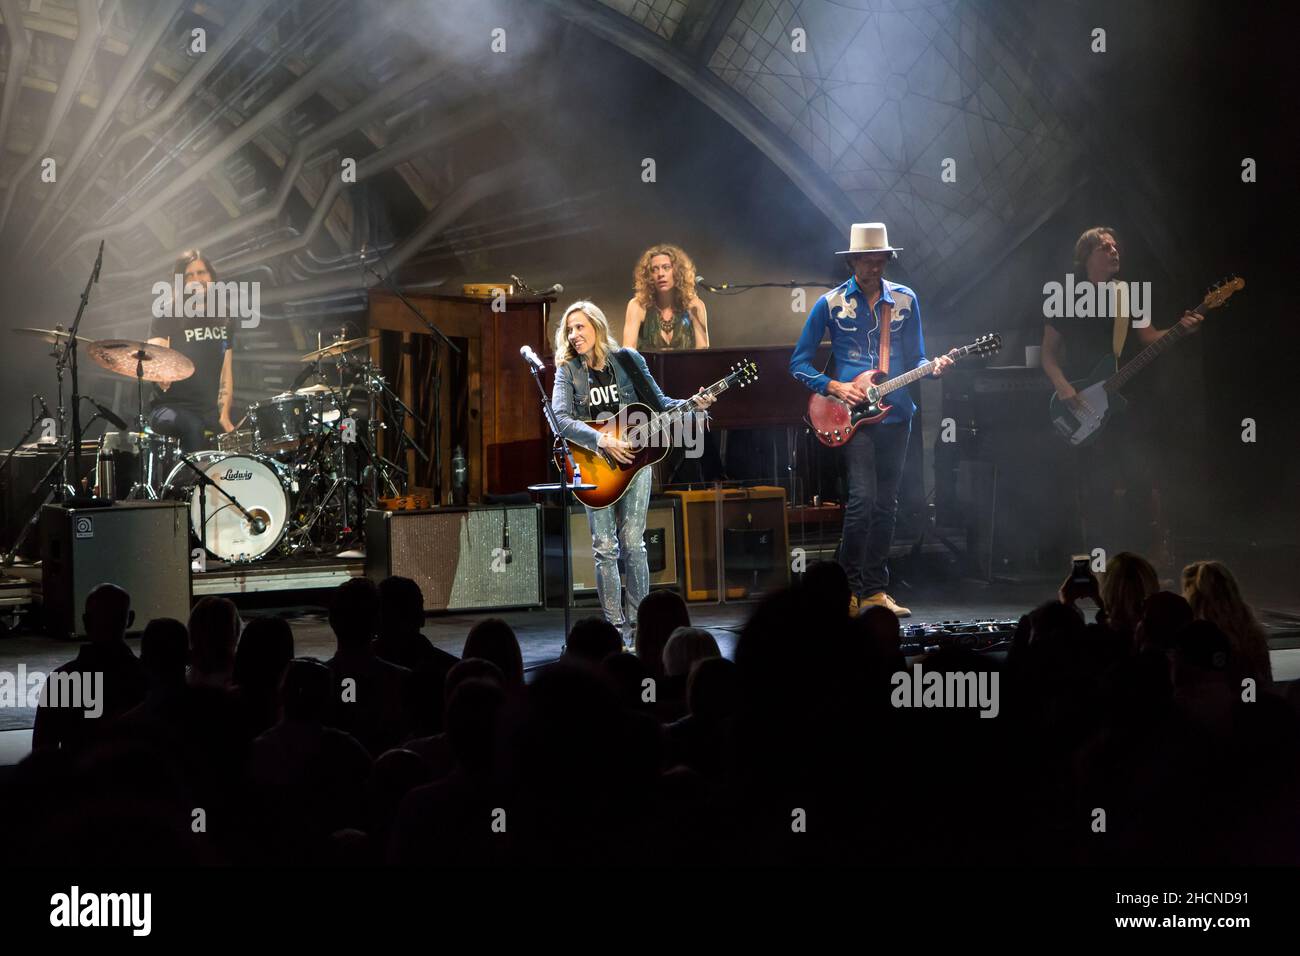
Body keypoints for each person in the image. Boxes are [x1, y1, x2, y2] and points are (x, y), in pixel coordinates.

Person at [790, 223, 953, 618]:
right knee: (862, 501)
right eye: (867, 258)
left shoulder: (905, 300)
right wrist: (834, 386)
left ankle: (875, 592)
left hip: (896, 413)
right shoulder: (829, 304)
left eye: (880, 258)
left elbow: (916, 355)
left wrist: (930, 367)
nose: (874, 265)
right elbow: (798, 363)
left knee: (886, 504)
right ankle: (845, 591)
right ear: (852, 260)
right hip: (853, 417)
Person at [551, 300, 714, 639]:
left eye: (579, 327)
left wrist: (693, 403)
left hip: (636, 464)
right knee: (604, 547)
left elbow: (660, 404)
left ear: (596, 326)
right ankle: (613, 628)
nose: (574, 334)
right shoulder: (567, 371)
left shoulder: (628, 360)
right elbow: (560, 420)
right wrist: (602, 442)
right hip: (595, 466)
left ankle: (642, 628)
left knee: (633, 543)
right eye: (569, 329)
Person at [1040, 226, 1203, 554]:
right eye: (1105, 247)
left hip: (1125, 401)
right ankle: (1099, 563)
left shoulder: (1129, 294)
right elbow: (1048, 352)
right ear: (1087, 255)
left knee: (1139, 480)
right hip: (1082, 403)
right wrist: (1062, 385)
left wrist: (1179, 330)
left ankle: (1139, 560)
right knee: (1095, 488)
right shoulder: (1065, 295)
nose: (1114, 251)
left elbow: (1148, 337)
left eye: (1116, 247)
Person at [147, 250, 236, 452]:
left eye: (202, 273)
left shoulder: (225, 317)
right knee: (193, 426)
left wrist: (224, 416)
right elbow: (154, 358)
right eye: (189, 275)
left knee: (243, 437)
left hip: (208, 410)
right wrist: (161, 373)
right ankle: (190, 483)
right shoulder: (167, 314)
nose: (197, 279)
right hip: (169, 409)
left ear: (212, 277)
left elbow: (226, 371)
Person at [623, 244, 709, 351]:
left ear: (678, 272)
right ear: (649, 276)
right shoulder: (637, 306)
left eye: (666, 267)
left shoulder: (695, 306)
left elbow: (703, 353)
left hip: (687, 367)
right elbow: (628, 353)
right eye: (654, 269)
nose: (660, 274)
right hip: (648, 368)